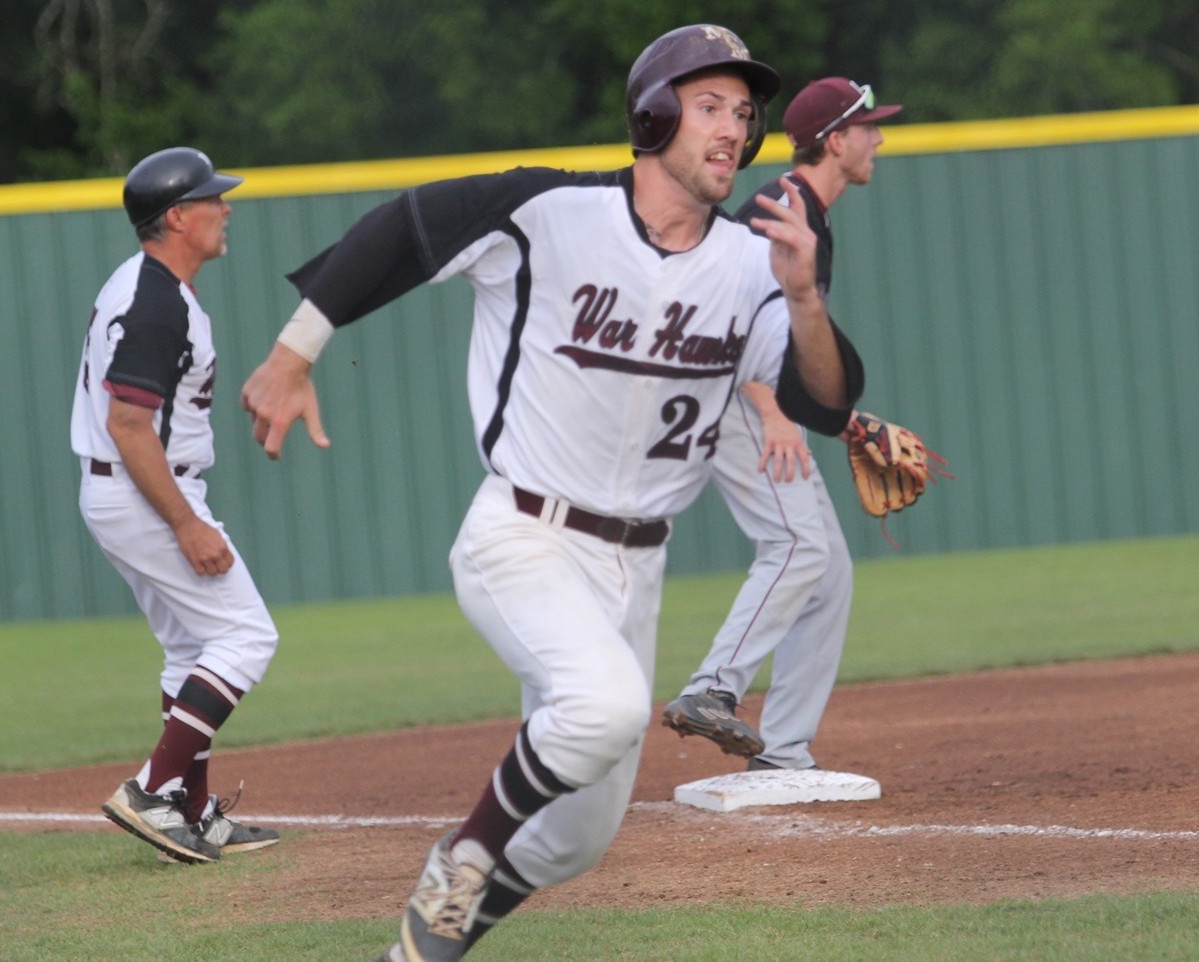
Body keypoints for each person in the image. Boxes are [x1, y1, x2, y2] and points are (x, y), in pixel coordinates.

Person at [239, 24, 862, 962]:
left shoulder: (754, 266)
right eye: (708, 107)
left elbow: (825, 400)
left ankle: (420, 953)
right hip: (523, 537)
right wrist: (295, 350)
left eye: (745, 112)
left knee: (578, 839)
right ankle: (465, 856)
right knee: (606, 708)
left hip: (638, 569)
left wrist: (808, 301)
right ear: (653, 114)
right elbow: (400, 232)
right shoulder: (550, 211)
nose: (733, 128)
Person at [661, 77, 902, 772]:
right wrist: (774, 412)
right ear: (835, 140)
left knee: (828, 572)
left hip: (734, 391)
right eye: (867, 127)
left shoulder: (799, 211)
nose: (877, 138)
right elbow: (736, 325)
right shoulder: (783, 208)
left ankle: (784, 750)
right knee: (797, 546)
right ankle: (711, 689)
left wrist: (844, 420)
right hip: (725, 392)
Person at [72, 147, 281, 863]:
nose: (226, 208)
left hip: (128, 489)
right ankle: (153, 791)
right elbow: (129, 425)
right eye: (212, 199)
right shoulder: (157, 299)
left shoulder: (145, 285)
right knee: (248, 637)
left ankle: (190, 814)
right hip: (144, 492)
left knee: (190, 649)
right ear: (178, 217)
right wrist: (185, 522)